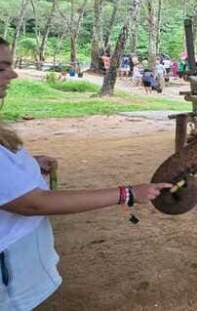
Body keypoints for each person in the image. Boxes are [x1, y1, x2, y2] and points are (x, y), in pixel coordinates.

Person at [0, 37, 172, 309]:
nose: (14, 74)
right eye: (1, 69)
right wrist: (127, 194)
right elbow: (32, 203)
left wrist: (29, 165)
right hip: (8, 263)